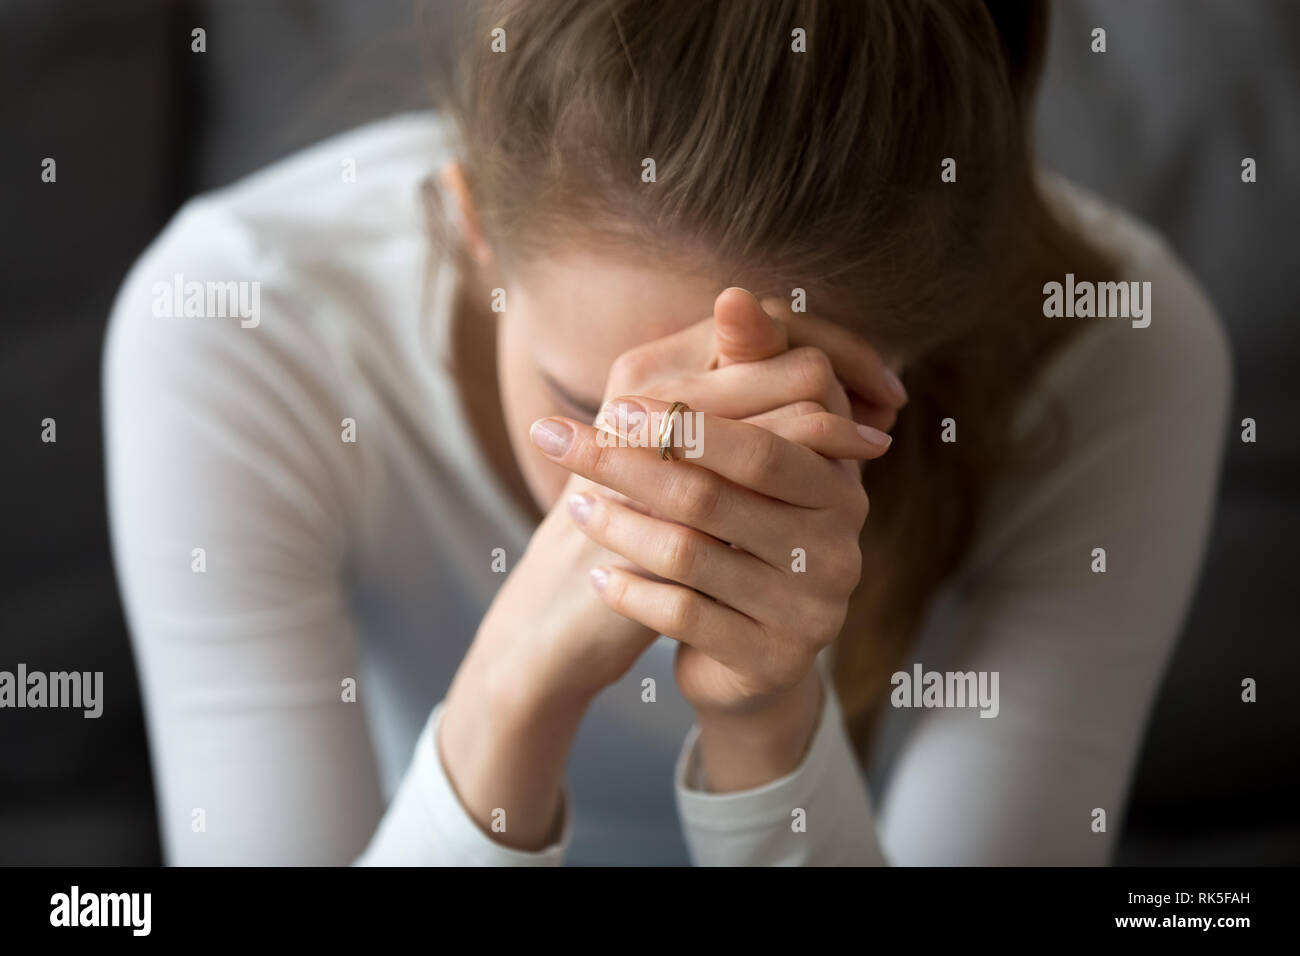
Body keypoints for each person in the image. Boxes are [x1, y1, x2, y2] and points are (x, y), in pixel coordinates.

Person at [103, 0, 1231, 865]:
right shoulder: (236, 323)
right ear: (473, 230)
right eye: (595, 412)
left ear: (923, 351)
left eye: (793, 423)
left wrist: (767, 717)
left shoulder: (1118, 351)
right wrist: (505, 701)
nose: (673, 500)